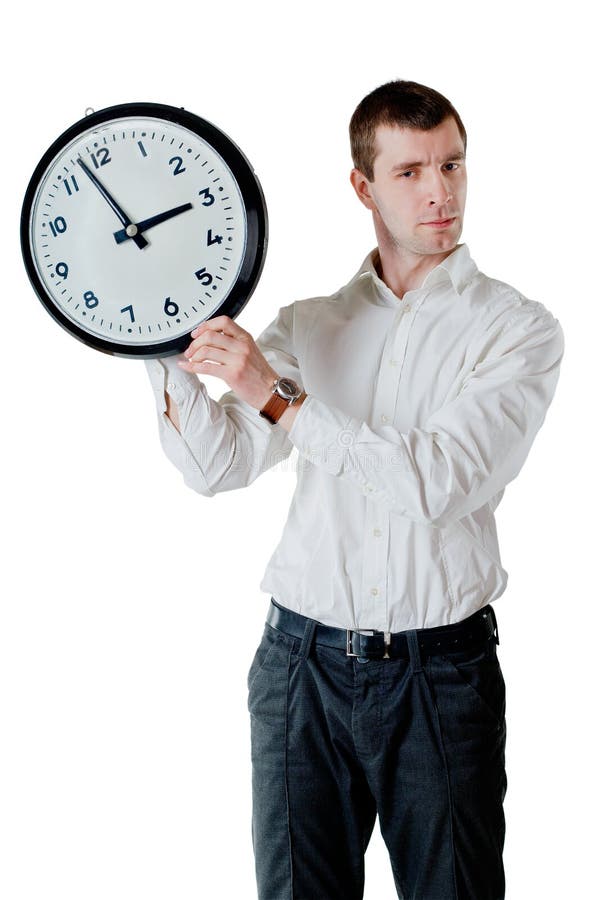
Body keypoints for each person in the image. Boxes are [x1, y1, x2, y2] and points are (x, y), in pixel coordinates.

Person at [144, 79, 565, 900]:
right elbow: (217, 465)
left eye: (453, 164)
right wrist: (160, 342)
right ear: (362, 186)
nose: (440, 191)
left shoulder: (518, 329)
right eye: (410, 171)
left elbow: (438, 480)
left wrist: (280, 398)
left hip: (440, 677)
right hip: (299, 667)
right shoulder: (310, 324)